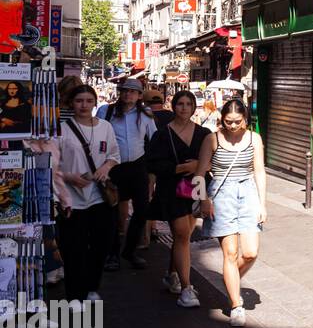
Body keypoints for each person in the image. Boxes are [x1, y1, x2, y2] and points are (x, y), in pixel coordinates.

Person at [197, 99, 266, 328]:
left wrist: (262, 204)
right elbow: (199, 174)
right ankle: (236, 305)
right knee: (231, 252)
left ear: (246, 118)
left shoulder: (254, 138)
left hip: (247, 193)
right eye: (228, 122)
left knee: (250, 253)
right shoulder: (212, 139)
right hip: (221, 195)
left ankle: (231, 280)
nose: (234, 126)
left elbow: (259, 171)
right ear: (222, 120)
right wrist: (203, 199)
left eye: (238, 121)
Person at [144, 90, 210, 308]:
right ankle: (187, 288)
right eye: (180, 103)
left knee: (185, 236)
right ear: (173, 106)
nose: (184, 108)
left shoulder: (203, 133)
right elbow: (153, 164)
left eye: (188, 104)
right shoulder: (162, 134)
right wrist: (184, 167)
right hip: (171, 189)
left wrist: (200, 167)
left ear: (194, 107)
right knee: (181, 234)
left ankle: (172, 273)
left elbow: (212, 161)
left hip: (196, 189)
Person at [57, 85, 120, 308]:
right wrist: (70, 177)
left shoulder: (105, 127)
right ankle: (75, 294)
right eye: (79, 101)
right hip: (70, 199)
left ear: (95, 103)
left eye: (88, 101)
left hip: (100, 196)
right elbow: (51, 167)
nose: (84, 105)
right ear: (71, 103)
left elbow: (114, 155)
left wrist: (106, 167)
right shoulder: (62, 129)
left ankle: (92, 286)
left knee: (101, 245)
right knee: (74, 248)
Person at [97, 78, 154, 268]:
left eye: (133, 91)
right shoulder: (107, 111)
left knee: (142, 210)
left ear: (139, 96)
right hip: (113, 167)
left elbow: (153, 138)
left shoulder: (145, 114)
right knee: (111, 211)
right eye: (125, 91)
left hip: (137, 166)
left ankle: (130, 251)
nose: (128, 94)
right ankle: (112, 254)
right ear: (120, 93)